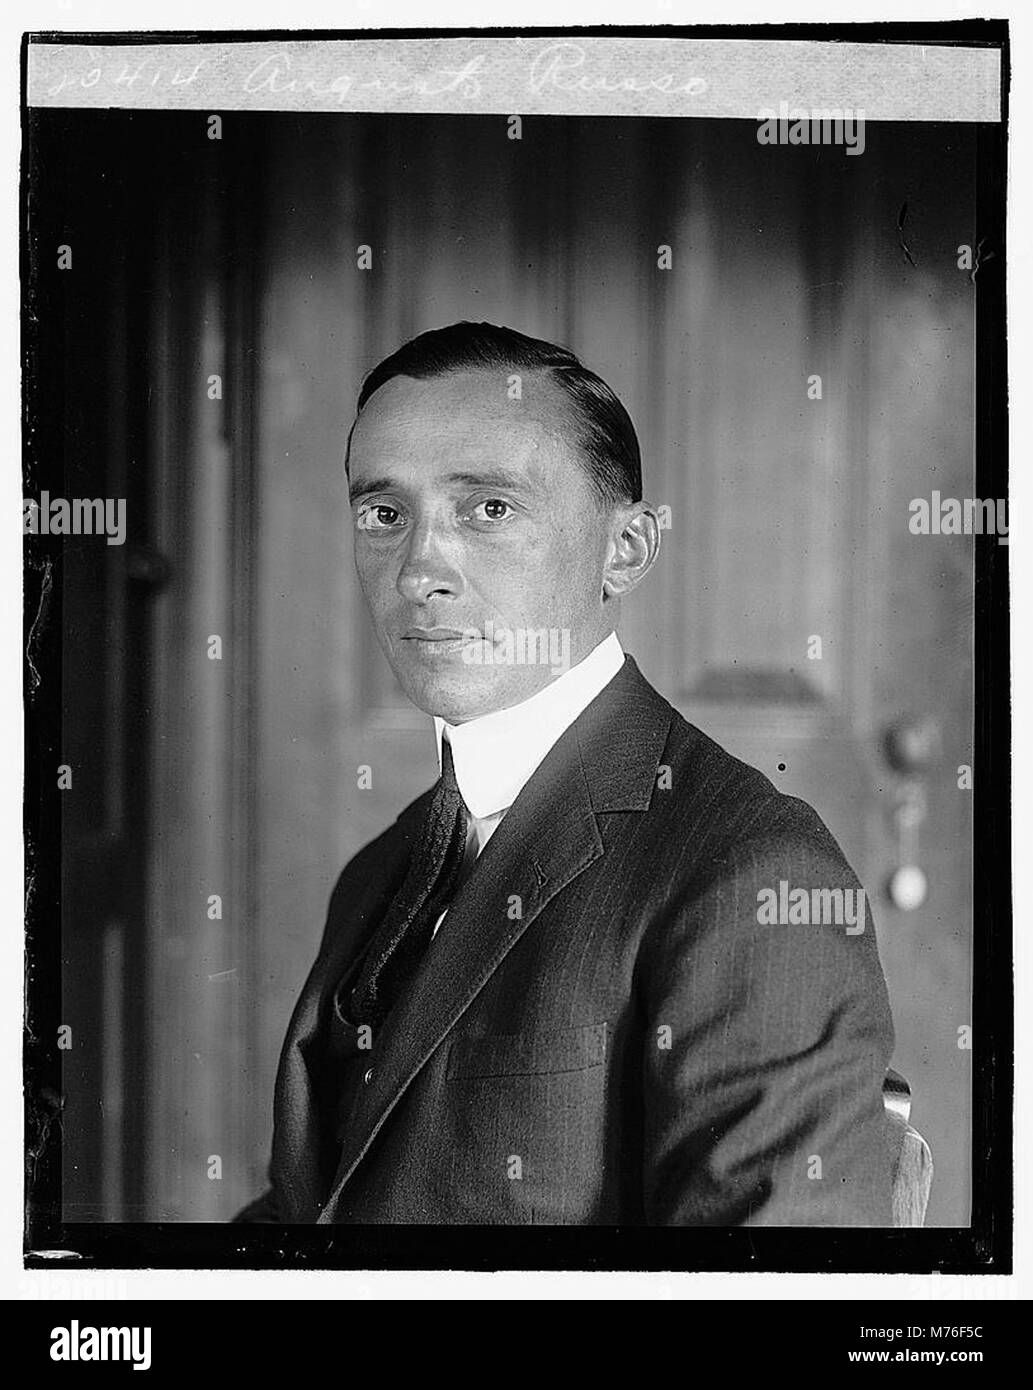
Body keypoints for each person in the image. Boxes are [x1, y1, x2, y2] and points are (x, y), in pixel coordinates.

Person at [235, 321, 895, 1225]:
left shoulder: (751, 874)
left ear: (624, 551)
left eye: (488, 509)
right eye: (384, 514)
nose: (420, 569)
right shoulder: (383, 868)